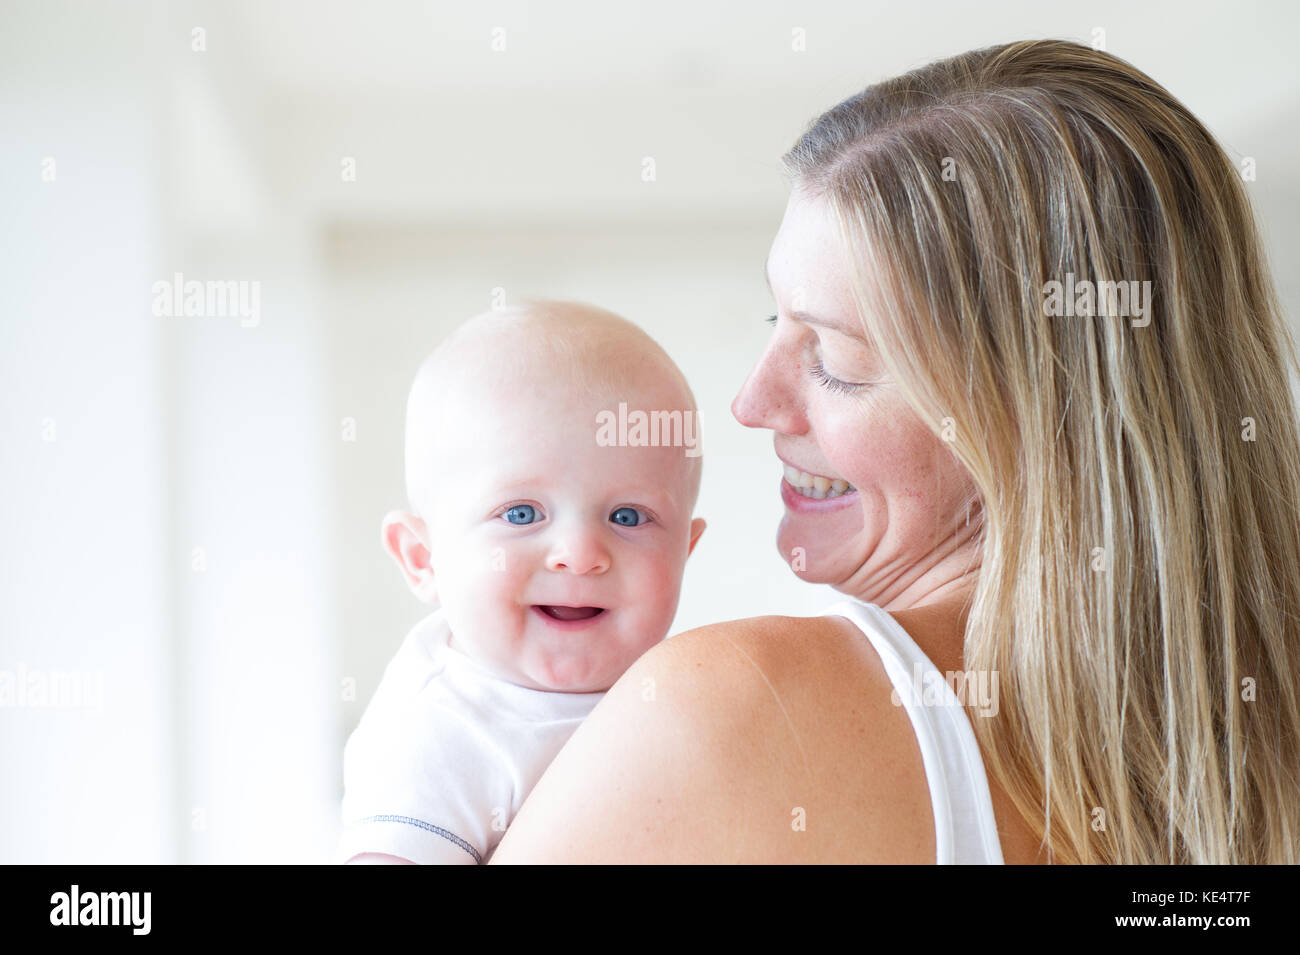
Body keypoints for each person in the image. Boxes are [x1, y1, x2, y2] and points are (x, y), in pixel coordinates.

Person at [488, 39, 1300, 864]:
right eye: (779, 324)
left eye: (836, 362)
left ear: (1032, 419)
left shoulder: (737, 707)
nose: (750, 403)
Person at [339, 300, 707, 864]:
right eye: (520, 514)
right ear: (423, 558)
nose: (580, 556)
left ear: (685, 551)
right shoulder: (439, 732)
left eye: (627, 517)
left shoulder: (690, 691)